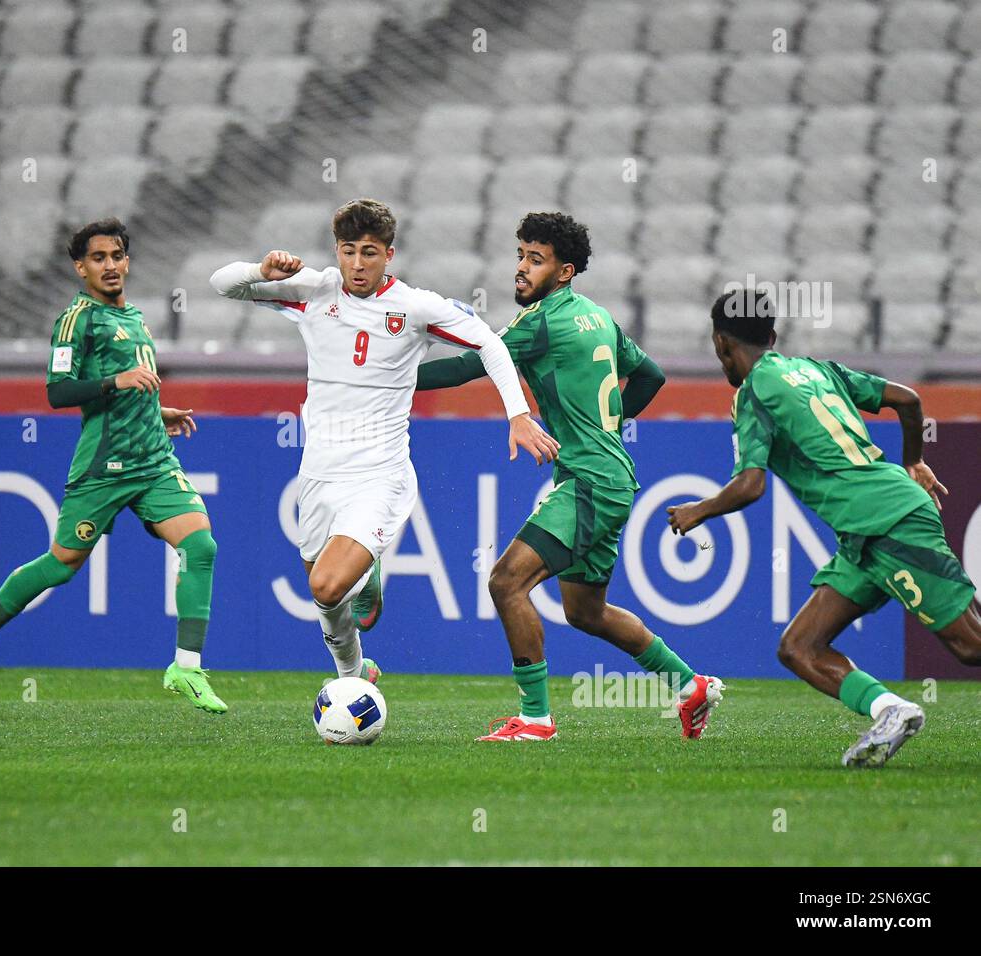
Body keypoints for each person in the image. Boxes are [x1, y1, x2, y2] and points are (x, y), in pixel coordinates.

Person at [210, 198, 558, 685]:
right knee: (325, 595)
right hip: (317, 473)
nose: (357, 264)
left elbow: (491, 343)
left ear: (388, 255)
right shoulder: (314, 290)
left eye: (369, 252)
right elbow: (221, 282)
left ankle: (351, 670)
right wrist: (260, 268)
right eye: (348, 251)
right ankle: (356, 670)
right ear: (336, 250)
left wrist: (518, 415)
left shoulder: (415, 307)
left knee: (327, 584)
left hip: (379, 474)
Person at [417, 212, 721, 742]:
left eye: (536, 260)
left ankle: (535, 719)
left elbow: (471, 366)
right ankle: (689, 685)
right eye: (520, 256)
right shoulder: (597, 316)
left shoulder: (542, 320)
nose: (521, 269)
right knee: (586, 612)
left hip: (588, 482)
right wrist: (609, 425)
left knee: (506, 582)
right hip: (612, 476)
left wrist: (385, 380)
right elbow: (651, 375)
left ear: (564, 271)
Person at [667, 289, 981, 767]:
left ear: (721, 344)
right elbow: (908, 400)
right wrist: (913, 460)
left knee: (969, 644)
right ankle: (891, 710)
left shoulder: (753, 392)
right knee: (800, 647)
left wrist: (700, 510)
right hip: (865, 535)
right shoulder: (817, 369)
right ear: (771, 337)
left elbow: (751, 485)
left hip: (887, 521)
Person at [0, 219, 226, 713]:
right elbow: (58, 392)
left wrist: (158, 411)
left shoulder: (136, 317)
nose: (111, 265)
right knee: (61, 565)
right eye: (98, 258)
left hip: (154, 460)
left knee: (200, 545)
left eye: (118, 255)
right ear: (80, 267)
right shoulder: (77, 319)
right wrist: (117, 382)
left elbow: (127, 387)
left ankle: (185, 666)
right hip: (105, 465)